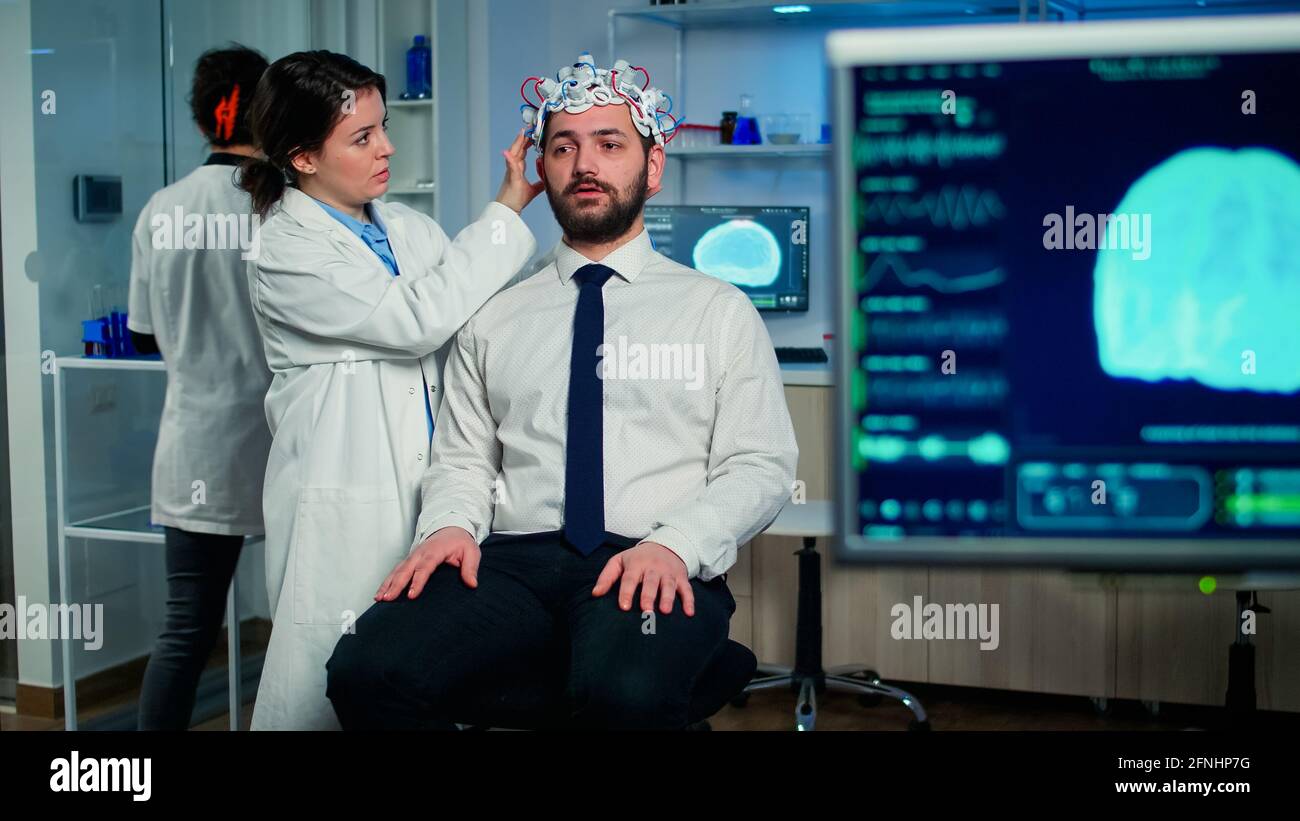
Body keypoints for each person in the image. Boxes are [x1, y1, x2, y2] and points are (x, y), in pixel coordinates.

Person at [325, 54, 798, 730]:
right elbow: (463, 459)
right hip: (513, 563)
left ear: (652, 168)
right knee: (366, 671)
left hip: (650, 555)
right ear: (540, 170)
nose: (585, 163)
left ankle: (657, 678)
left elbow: (761, 465)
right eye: (563, 147)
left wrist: (677, 544)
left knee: (623, 693)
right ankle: (692, 675)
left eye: (610, 144)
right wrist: (450, 527)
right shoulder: (494, 312)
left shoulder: (716, 311)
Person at [237, 50, 542, 730]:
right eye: (363, 137)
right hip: (344, 497)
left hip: (435, 490)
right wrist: (509, 206)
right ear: (304, 157)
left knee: (418, 676)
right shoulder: (287, 249)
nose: (387, 147)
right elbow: (418, 320)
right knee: (328, 677)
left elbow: (472, 306)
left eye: (382, 127)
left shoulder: (407, 227)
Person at [128, 44, 273, 731]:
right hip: (280, 445)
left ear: (202, 117)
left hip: (197, 451)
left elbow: (143, 334)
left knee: (185, 631)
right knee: (307, 621)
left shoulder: (162, 207)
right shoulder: (281, 202)